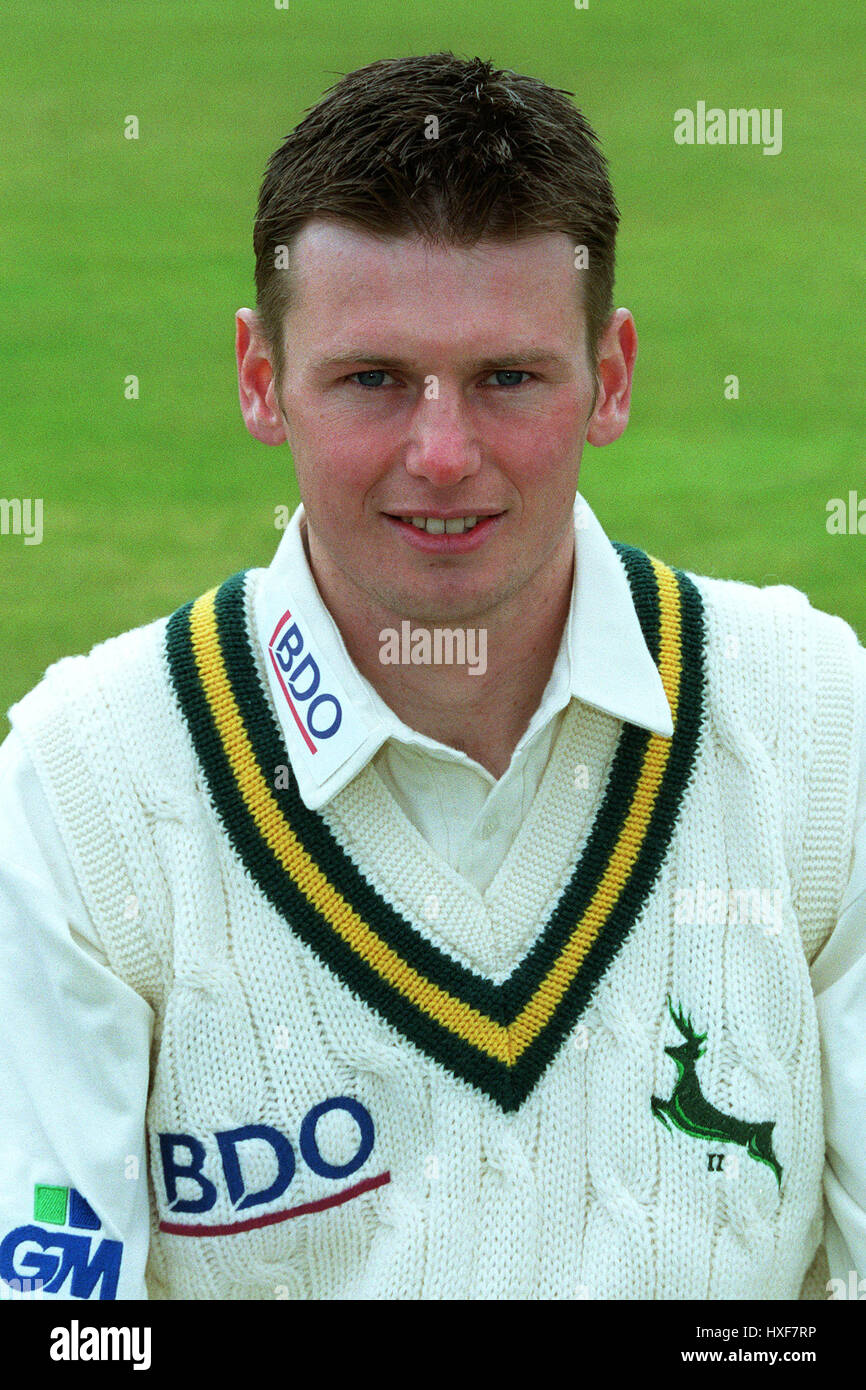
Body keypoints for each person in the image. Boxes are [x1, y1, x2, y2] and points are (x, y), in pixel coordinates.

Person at [1, 51, 864, 1302]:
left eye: (506, 377)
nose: (443, 453)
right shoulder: (81, 788)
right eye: (372, 380)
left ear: (609, 376)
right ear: (259, 379)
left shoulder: (818, 723)